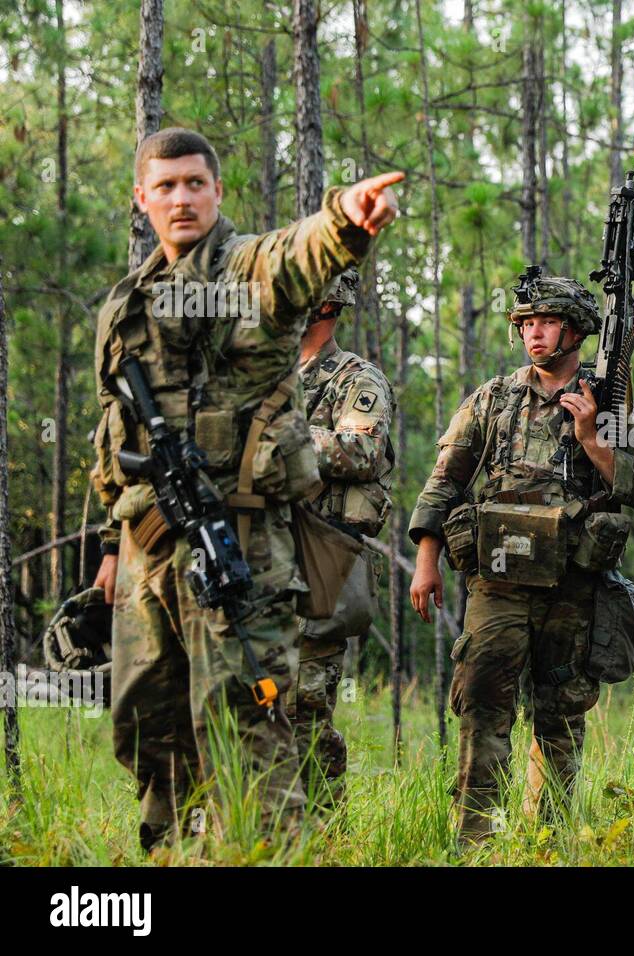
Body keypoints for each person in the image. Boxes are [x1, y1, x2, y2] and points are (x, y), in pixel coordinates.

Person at [90, 126, 402, 851]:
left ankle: (264, 855)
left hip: (240, 545)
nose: (181, 198)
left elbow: (302, 254)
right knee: (146, 725)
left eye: (194, 183)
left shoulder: (250, 271)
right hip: (146, 550)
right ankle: (177, 854)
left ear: (217, 190)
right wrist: (112, 546)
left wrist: (344, 222)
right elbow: (113, 430)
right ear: (142, 198)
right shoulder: (125, 305)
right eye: (164, 186)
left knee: (250, 729)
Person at [407, 270, 634, 844]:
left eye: (546, 322)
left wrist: (592, 437)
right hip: (497, 583)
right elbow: (445, 481)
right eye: (526, 323)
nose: (534, 334)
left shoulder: (607, 399)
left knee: (562, 714)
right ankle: (473, 838)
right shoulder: (495, 397)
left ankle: (550, 840)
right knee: (482, 702)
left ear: (574, 331)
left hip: (571, 585)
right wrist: (427, 559)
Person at [290, 268, 394, 812]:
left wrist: (277, 440)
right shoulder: (266, 375)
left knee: (306, 707)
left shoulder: (356, 380)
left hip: (319, 559)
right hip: (254, 554)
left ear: (326, 308)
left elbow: (360, 452)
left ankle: (325, 833)